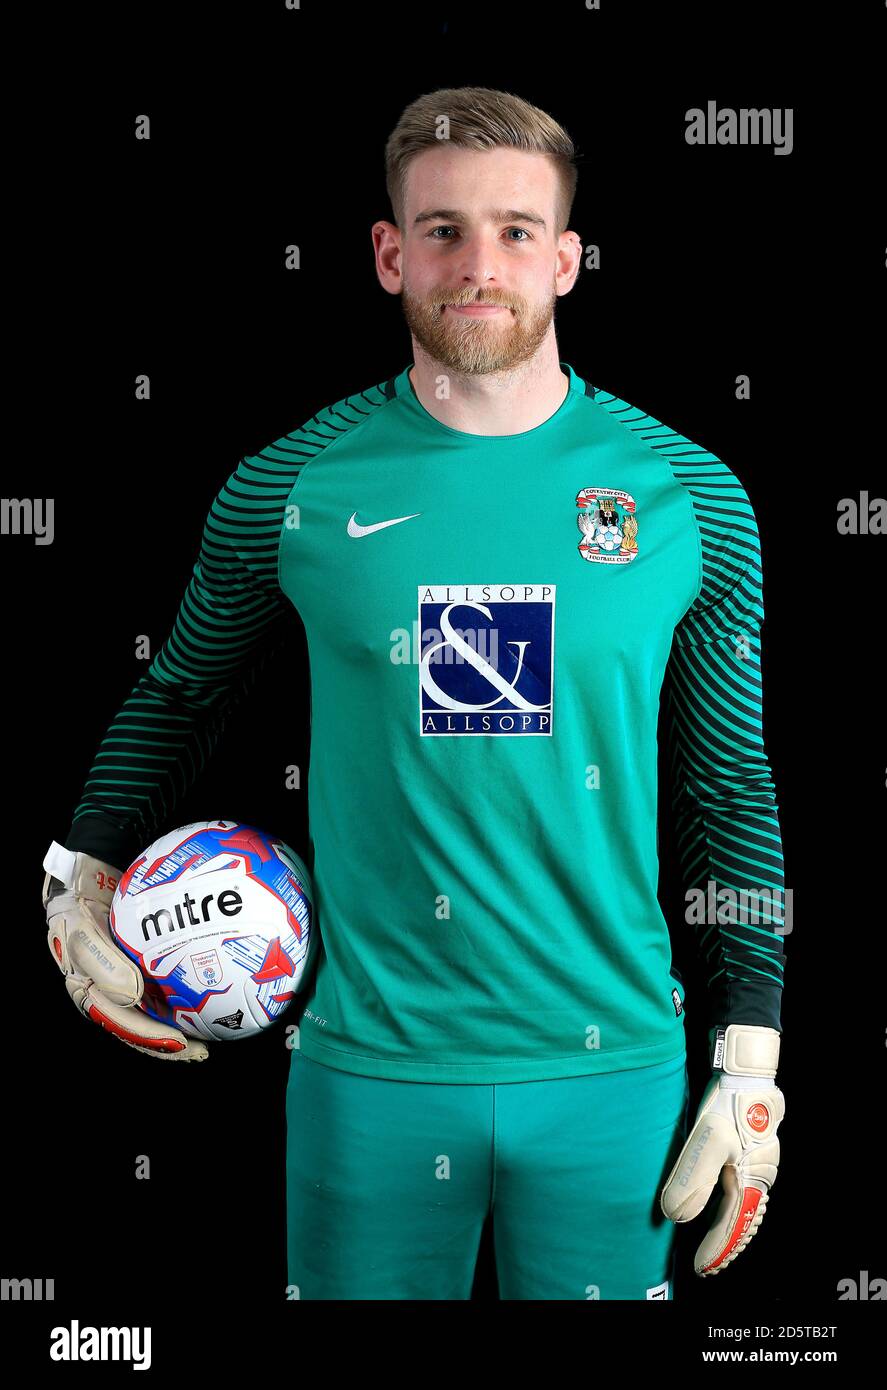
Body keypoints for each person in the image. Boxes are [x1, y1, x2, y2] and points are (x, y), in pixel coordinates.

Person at [41, 86, 786, 1299]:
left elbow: (729, 777)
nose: (477, 264)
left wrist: (748, 1052)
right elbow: (179, 695)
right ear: (389, 255)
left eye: (512, 230)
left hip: (614, 1075)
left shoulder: (688, 497)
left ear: (565, 257)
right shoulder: (287, 486)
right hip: (366, 1075)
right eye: (440, 230)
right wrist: (70, 880)